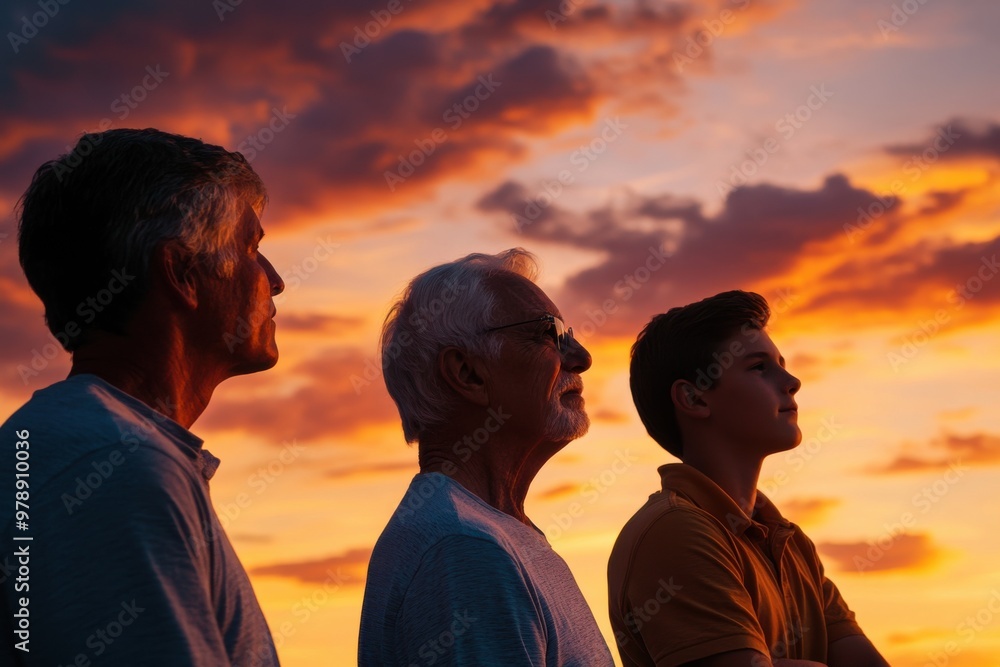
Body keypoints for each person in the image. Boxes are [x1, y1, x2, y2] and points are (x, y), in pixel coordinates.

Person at [0, 129, 284, 666]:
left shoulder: (91, 446)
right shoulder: (115, 464)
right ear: (182, 273)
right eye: (251, 248)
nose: (275, 280)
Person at [358, 248, 615, 666]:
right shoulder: (464, 550)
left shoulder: (487, 536)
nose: (581, 357)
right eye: (549, 333)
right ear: (468, 373)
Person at [608, 291, 889, 667]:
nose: (792, 381)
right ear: (694, 399)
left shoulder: (790, 543)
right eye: (758, 367)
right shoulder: (674, 531)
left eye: (782, 365)